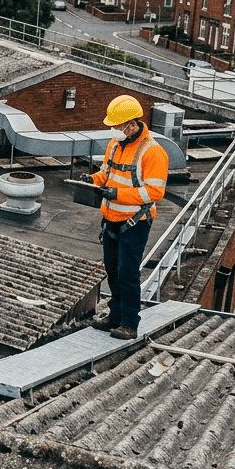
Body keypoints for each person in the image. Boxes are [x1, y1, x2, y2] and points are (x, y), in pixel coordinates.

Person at [85, 95, 168, 339]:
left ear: (132, 124)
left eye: (118, 126)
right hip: (111, 219)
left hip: (134, 222)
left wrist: (117, 194)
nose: (114, 130)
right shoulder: (115, 145)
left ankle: (130, 323)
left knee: (127, 273)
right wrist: (91, 180)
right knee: (112, 270)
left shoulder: (152, 152)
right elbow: (106, 174)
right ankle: (115, 316)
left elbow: (154, 192)